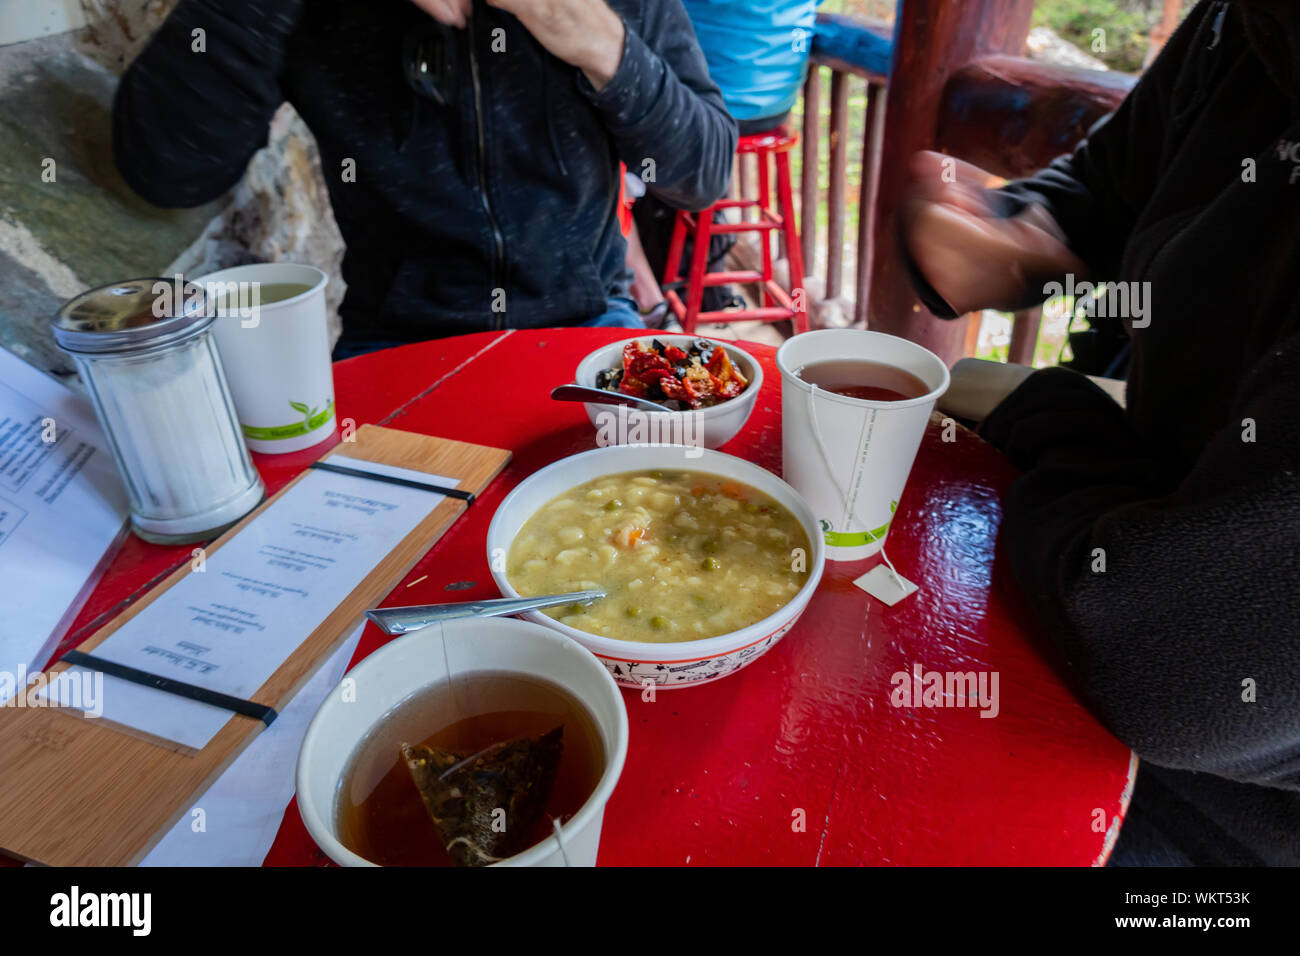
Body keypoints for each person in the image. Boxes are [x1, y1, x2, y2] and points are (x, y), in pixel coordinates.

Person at [902, 0, 1300, 865]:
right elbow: (1112, 184)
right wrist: (1023, 228)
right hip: (1117, 577)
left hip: (1230, 816)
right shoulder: (1244, 19)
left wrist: (1043, 411)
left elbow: (1188, 668)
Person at [112, 0, 737, 358]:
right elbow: (167, 170)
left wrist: (602, 42)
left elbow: (703, 175)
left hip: (592, 321)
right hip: (394, 341)